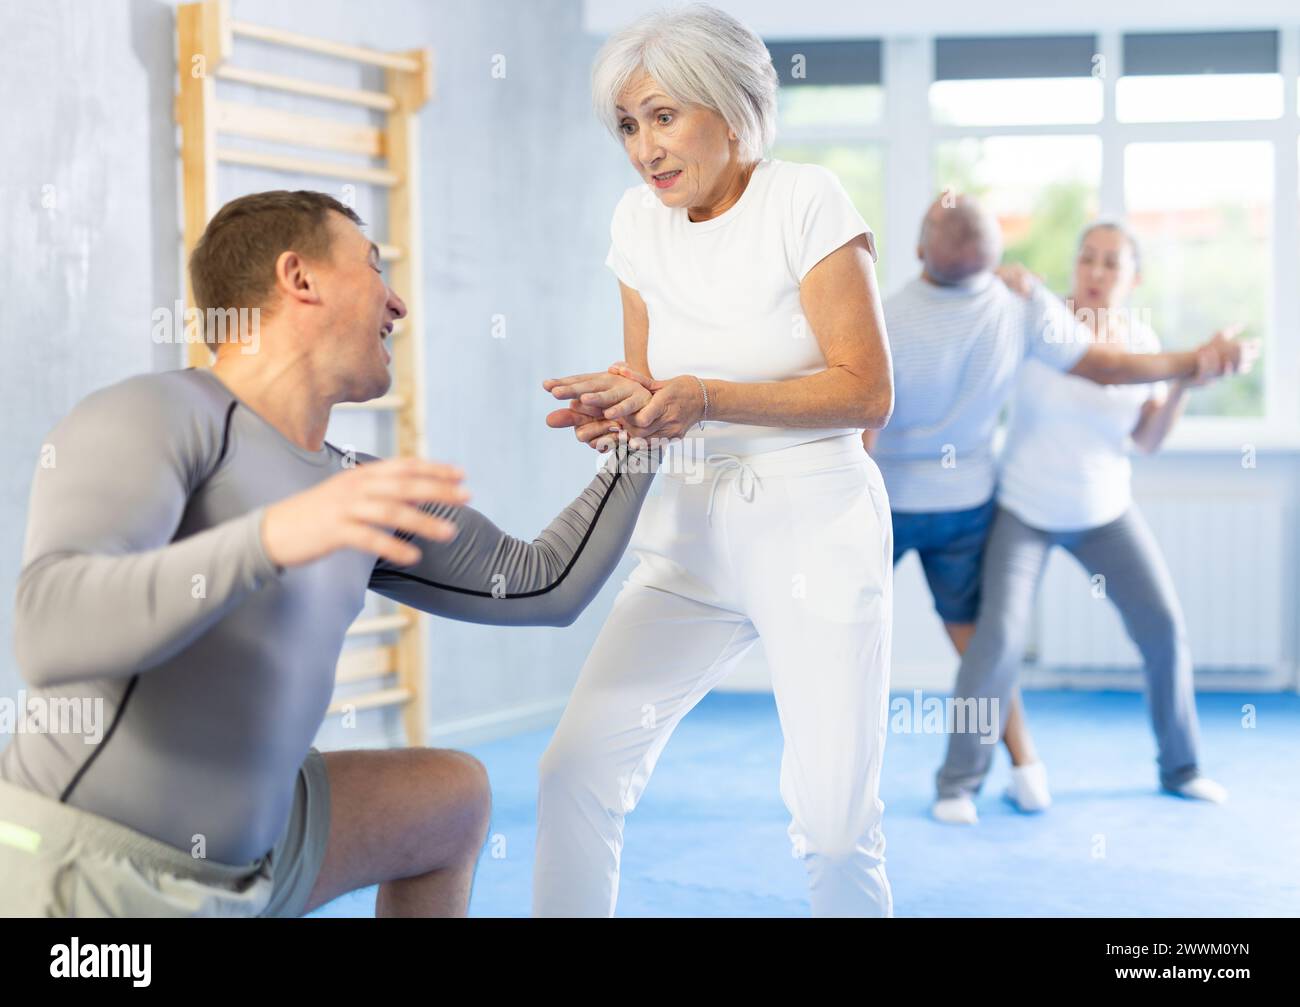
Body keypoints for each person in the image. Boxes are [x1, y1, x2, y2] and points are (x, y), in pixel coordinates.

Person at [0, 189, 660, 917]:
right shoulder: (152, 416)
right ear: (300, 278)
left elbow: (542, 587)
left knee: (450, 798)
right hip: (90, 865)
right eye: (374, 266)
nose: (399, 303)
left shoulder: (354, 488)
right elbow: (47, 634)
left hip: (263, 852)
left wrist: (640, 443)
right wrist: (273, 537)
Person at [531, 4, 896, 918]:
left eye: (662, 116)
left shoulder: (804, 200)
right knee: (574, 767)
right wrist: (623, 411)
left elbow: (866, 391)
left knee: (836, 823)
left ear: (730, 111)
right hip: (687, 536)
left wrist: (705, 395)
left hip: (813, 529)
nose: (643, 147)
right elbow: (651, 385)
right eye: (627, 124)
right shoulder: (636, 222)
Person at [863, 196, 1248, 824]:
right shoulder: (1030, 315)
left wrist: (1182, 381)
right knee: (998, 640)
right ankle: (958, 784)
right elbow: (977, 339)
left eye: (1111, 264)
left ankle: (1182, 767)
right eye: (1087, 259)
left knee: (1163, 629)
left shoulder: (1143, 346)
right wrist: (1001, 280)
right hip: (1024, 508)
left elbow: (1145, 441)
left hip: (1104, 511)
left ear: (1133, 279)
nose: (1095, 272)